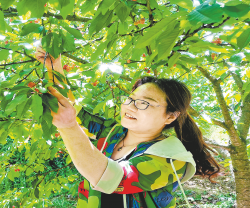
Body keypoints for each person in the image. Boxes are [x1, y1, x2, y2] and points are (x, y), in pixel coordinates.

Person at [35, 48, 221, 208]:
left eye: (144, 103)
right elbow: (74, 111)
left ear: (170, 116)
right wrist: (55, 70)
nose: (130, 106)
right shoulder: (113, 133)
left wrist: (68, 127)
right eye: (130, 99)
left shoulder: (172, 158)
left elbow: (112, 179)